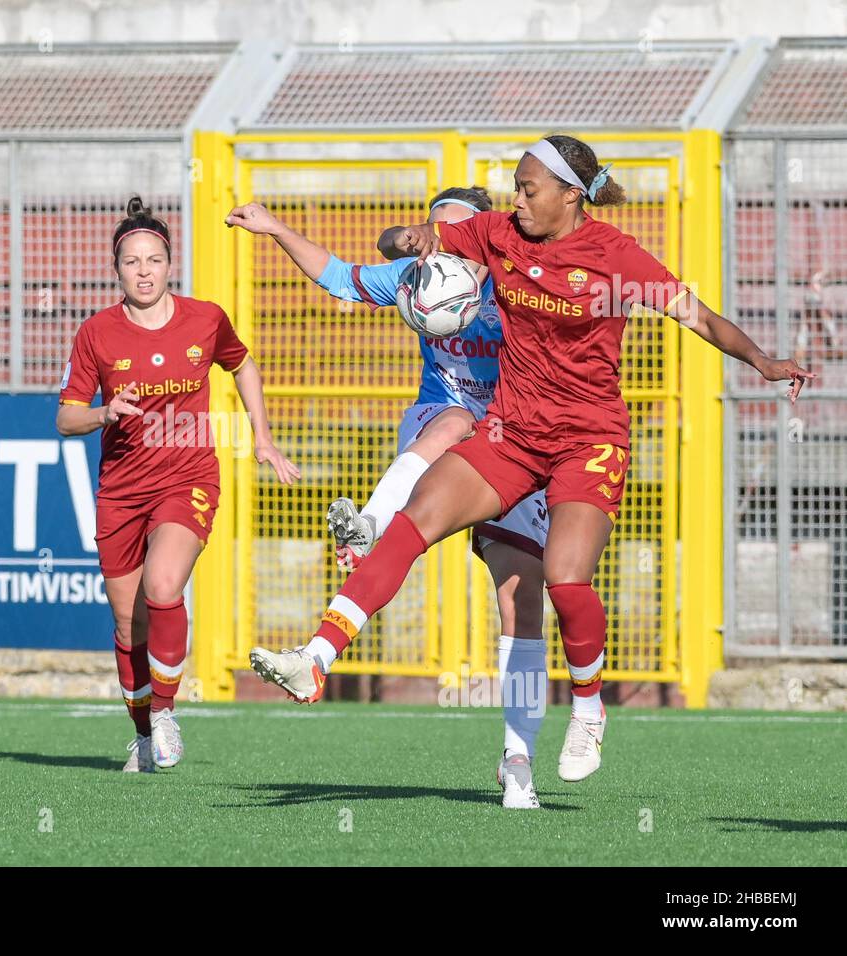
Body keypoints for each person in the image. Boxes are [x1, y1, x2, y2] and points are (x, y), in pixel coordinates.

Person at [277, 134, 813, 789]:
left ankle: (587, 708)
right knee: (413, 522)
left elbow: (699, 318)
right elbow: (401, 239)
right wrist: (411, 237)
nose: (518, 200)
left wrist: (762, 360)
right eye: (515, 188)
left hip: (590, 439)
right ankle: (318, 655)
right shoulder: (499, 233)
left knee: (563, 581)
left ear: (570, 194)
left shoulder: (618, 256)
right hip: (513, 433)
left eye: (529, 189)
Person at [226, 187, 551, 808]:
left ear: (487, 231)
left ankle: (518, 759)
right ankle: (371, 522)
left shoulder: (518, 281)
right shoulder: (416, 277)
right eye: (433, 233)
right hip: (443, 427)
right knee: (453, 424)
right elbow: (343, 277)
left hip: (514, 441)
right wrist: (277, 228)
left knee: (522, 596)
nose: (442, 245)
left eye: (457, 232)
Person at [56, 197, 299, 773]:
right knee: (127, 620)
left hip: (187, 476)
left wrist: (261, 437)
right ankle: (142, 732)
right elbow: (66, 418)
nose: (144, 271)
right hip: (121, 489)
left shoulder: (205, 319)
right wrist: (103, 412)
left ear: (171, 265)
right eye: (132, 262)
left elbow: (242, 365)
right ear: (117, 270)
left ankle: (164, 713)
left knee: (164, 588)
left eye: (155, 259)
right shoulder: (97, 333)